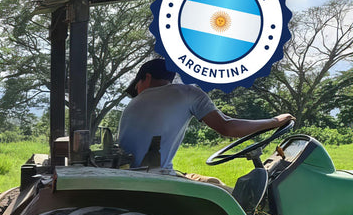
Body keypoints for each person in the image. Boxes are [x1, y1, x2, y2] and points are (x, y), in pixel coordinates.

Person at [118, 57, 292, 177]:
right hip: (156, 177)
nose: (137, 90)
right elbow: (228, 127)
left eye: (137, 85)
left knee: (213, 182)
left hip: (133, 174)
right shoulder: (187, 92)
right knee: (227, 194)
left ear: (146, 77)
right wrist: (275, 121)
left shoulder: (133, 104)